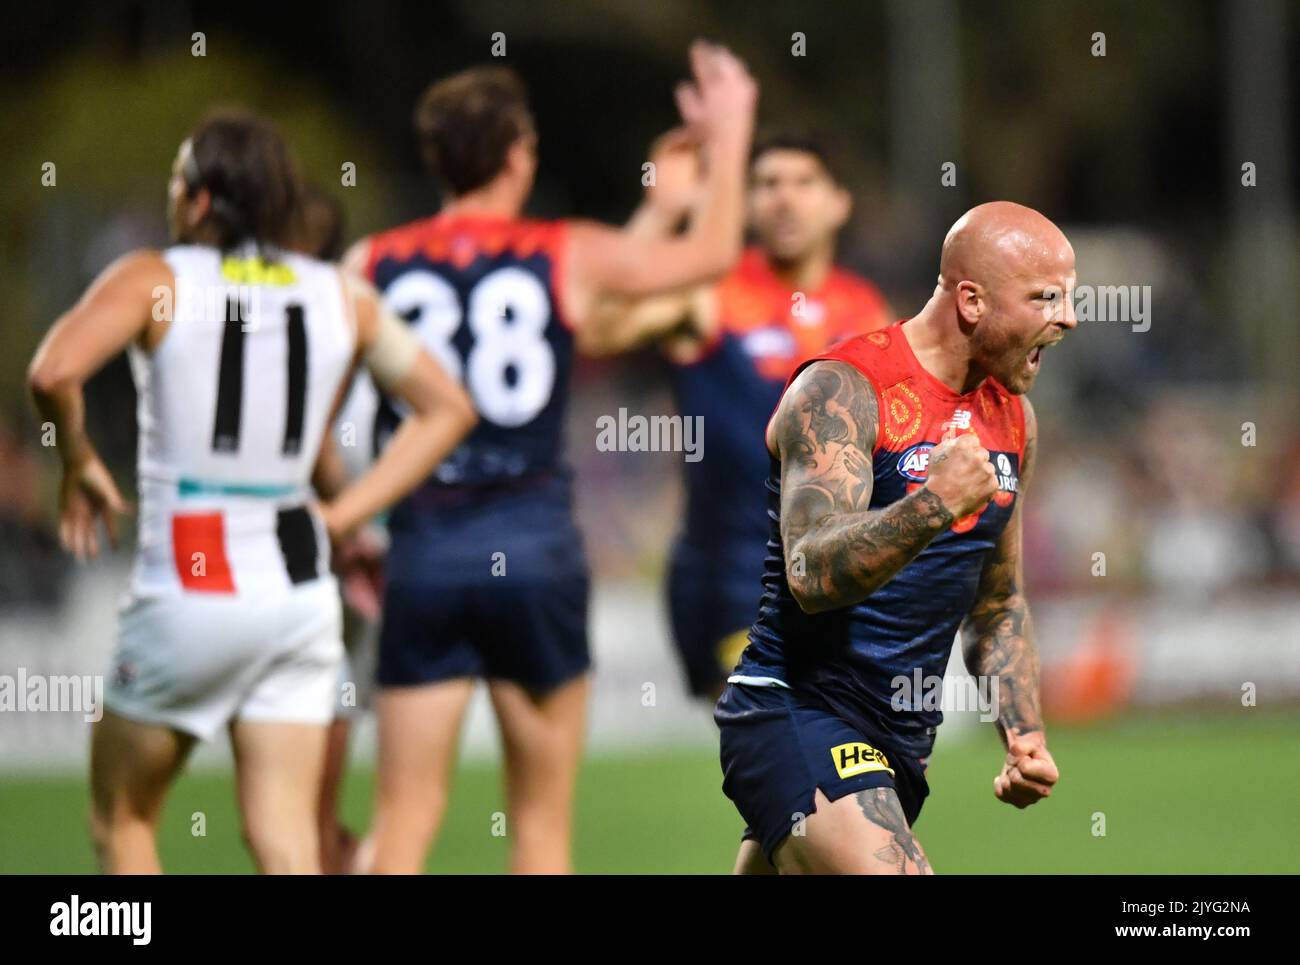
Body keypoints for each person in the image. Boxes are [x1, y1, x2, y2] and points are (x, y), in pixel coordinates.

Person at [342, 42, 757, 873]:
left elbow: (321, 403)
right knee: (538, 829)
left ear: (435, 157)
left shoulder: (370, 263)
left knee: (403, 824)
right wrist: (731, 131)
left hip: (424, 550)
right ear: (519, 153)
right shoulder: (562, 249)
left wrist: (344, 515)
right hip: (533, 546)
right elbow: (708, 259)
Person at [26, 110, 476, 874]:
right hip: (297, 588)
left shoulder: (155, 277)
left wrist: (75, 458)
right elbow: (449, 409)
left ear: (200, 200)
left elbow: (51, 371)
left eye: (176, 181)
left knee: (125, 819)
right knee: (286, 840)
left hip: (191, 576)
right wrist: (348, 513)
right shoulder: (344, 295)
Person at [715, 201, 1073, 874]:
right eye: (1046, 297)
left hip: (898, 745)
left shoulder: (1013, 419)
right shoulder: (843, 389)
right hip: (794, 710)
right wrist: (934, 504)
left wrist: (1023, 734)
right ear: (971, 300)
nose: (1071, 316)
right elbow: (811, 571)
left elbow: (997, 602)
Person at [582, 132, 892, 698]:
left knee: (791, 756)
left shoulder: (867, 311)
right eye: (768, 184)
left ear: (838, 203)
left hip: (833, 568)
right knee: (771, 736)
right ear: (746, 205)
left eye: (803, 183)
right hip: (730, 570)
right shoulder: (709, 293)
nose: (785, 199)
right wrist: (660, 214)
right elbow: (593, 324)